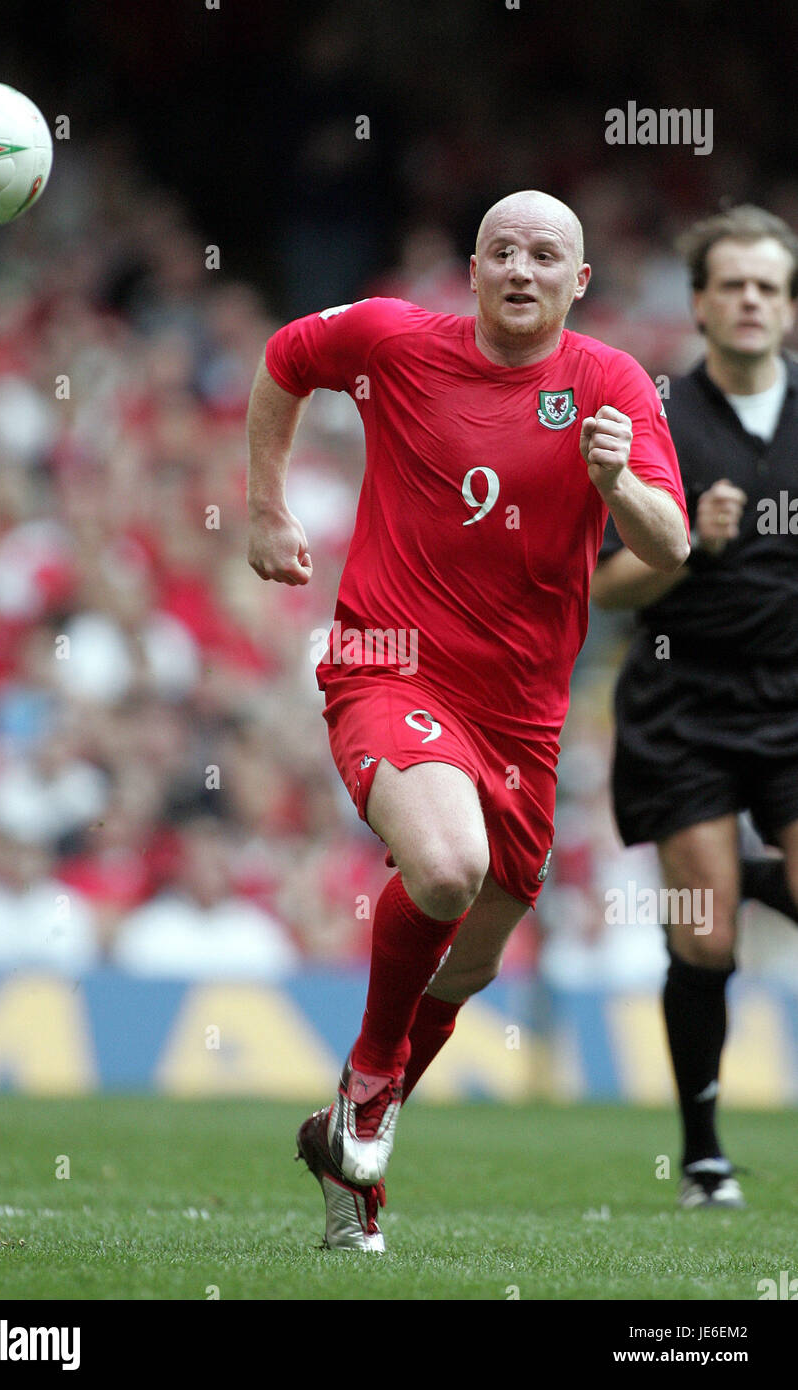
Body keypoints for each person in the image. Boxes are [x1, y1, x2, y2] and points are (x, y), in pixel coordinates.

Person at [246, 190, 690, 1251]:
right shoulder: (395, 340)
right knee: (444, 868)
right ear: (475, 268)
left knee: (472, 962)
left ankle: (350, 1141)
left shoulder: (609, 385)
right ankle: (365, 1089)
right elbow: (283, 357)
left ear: (577, 282)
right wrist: (264, 504)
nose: (521, 269)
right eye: (502, 251)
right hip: (385, 667)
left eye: (545, 255)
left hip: (523, 718)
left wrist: (616, 480)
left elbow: (669, 546)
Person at [590, 205, 798, 1210]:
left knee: (731, 901)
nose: (751, 300)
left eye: (769, 284)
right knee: (703, 940)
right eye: (733, 283)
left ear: (788, 306)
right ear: (701, 301)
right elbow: (602, 587)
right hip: (681, 702)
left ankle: (748, 873)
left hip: (791, 702)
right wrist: (681, 548)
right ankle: (703, 1155)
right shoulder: (655, 415)